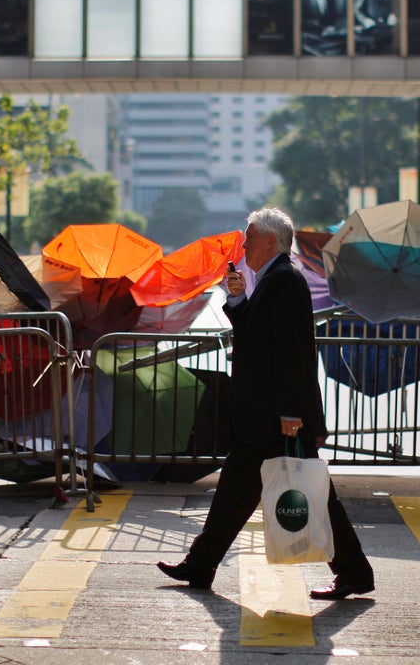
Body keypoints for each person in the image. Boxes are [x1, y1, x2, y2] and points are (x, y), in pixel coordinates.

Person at [157, 207, 374, 600]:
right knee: (236, 494)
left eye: (250, 236)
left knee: (314, 496)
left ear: (270, 241)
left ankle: (353, 571)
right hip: (265, 416)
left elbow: (291, 352)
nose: (244, 243)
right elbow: (257, 335)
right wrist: (237, 300)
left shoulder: (285, 280)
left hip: (278, 416)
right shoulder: (271, 280)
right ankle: (200, 564)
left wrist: (292, 412)